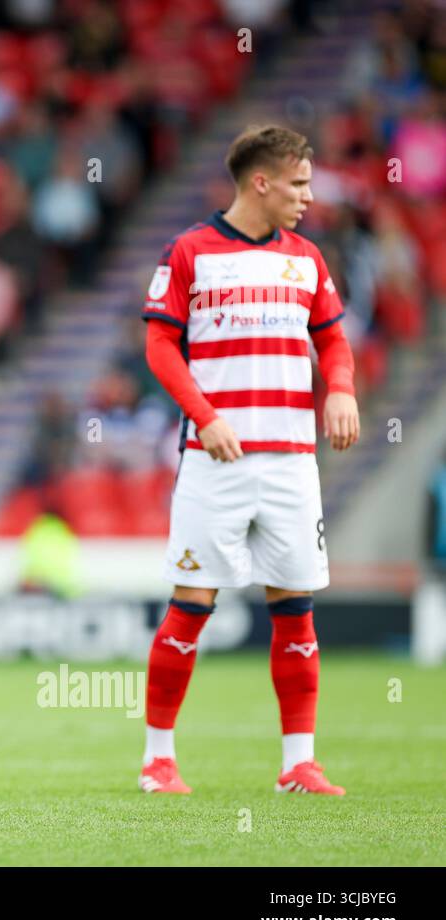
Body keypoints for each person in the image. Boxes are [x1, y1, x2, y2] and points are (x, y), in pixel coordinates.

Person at [138, 125, 360, 795]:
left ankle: (298, 764)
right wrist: (205, 417)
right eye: (297, 184)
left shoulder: (308, 260)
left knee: (296, 609)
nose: (308, 196)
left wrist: (341, 389)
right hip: (215, 464)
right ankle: (158, 758)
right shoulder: (190, 252)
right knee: (191, 605)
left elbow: (336, 342)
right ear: (260, 182)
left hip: (292, 461)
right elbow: (160, 347)